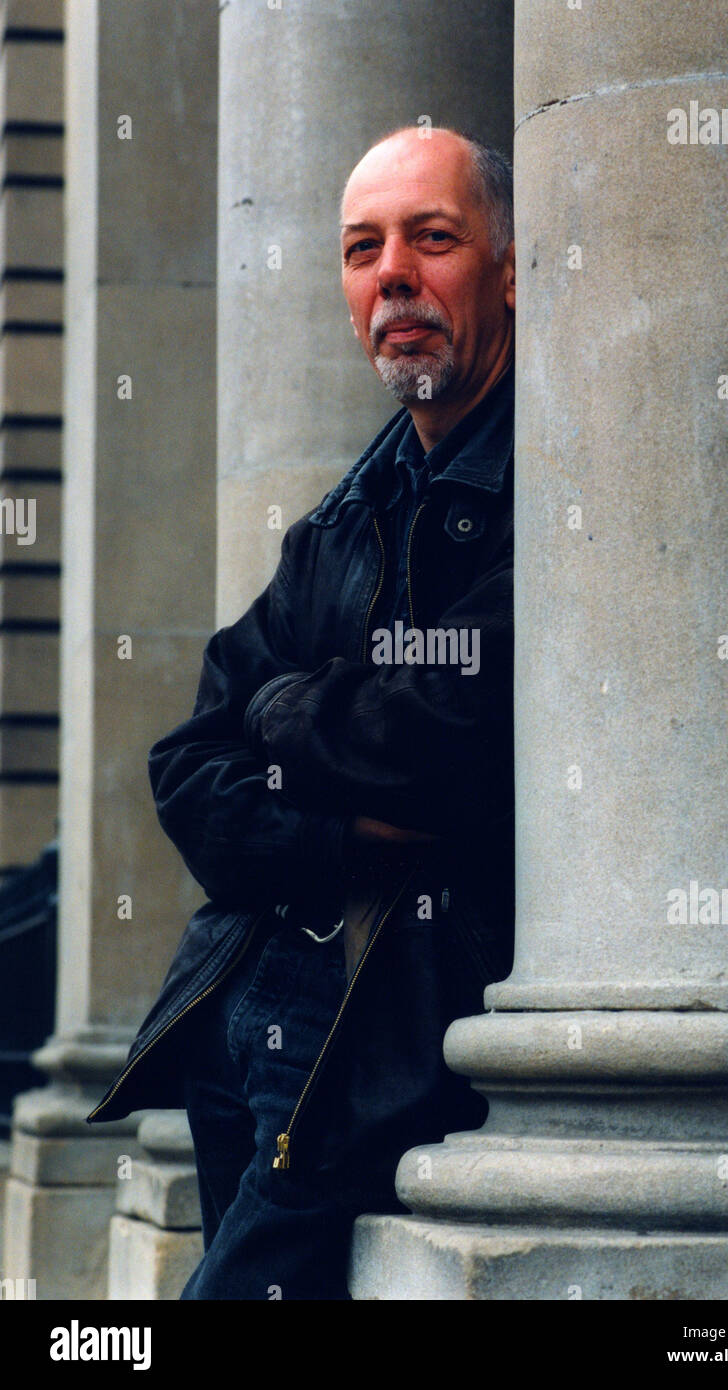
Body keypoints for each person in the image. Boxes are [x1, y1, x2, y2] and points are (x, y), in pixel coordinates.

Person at [87, 124, 516, 1300]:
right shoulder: (352, 509)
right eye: (361, 248)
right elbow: (186, 765)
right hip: (247, 1000)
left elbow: (458, 727)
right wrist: (338, 837)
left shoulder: (552, 477)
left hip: (386, 1018)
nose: (392, 276)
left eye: (434, 239)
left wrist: (282, 712)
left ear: (513, 268)